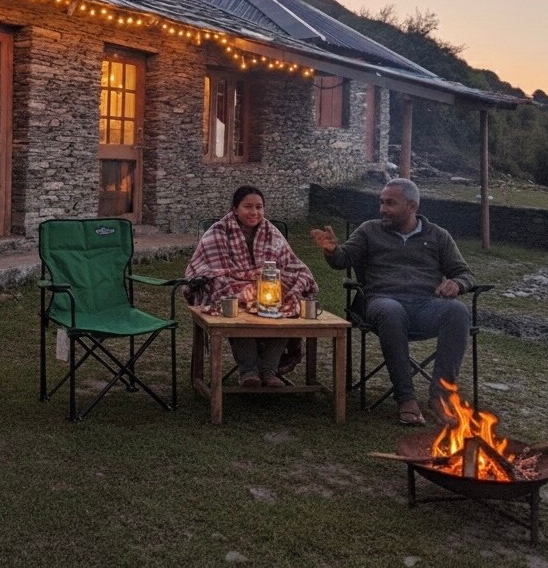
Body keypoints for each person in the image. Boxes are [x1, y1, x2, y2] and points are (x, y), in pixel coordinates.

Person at [310, 178, 474, 427]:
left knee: (458, 312)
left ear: (411, 206)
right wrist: (332, 250)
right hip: (381, 301)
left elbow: (465, 273)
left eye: (390, 203)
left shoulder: (438, 236)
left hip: (425, 306)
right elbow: (342, 260)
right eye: (381, 202)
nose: (383, 209)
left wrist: (457, 284)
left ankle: (441, 394)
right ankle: (406, 398)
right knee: (391, 310)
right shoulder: (369, 230)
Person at [185, 186, 318, 388]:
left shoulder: (271, 233)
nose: (254, 212)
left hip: (265, 288)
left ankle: (268, 370)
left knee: (287, 302)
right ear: (235, 208)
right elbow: (210, 270)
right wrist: (247, 284)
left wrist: (276, 283)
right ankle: (249, 371)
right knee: (231, 297)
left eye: (259, 207)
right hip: (231, 286)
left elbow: (292, 264)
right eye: (248, 206)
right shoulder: (218, 232)